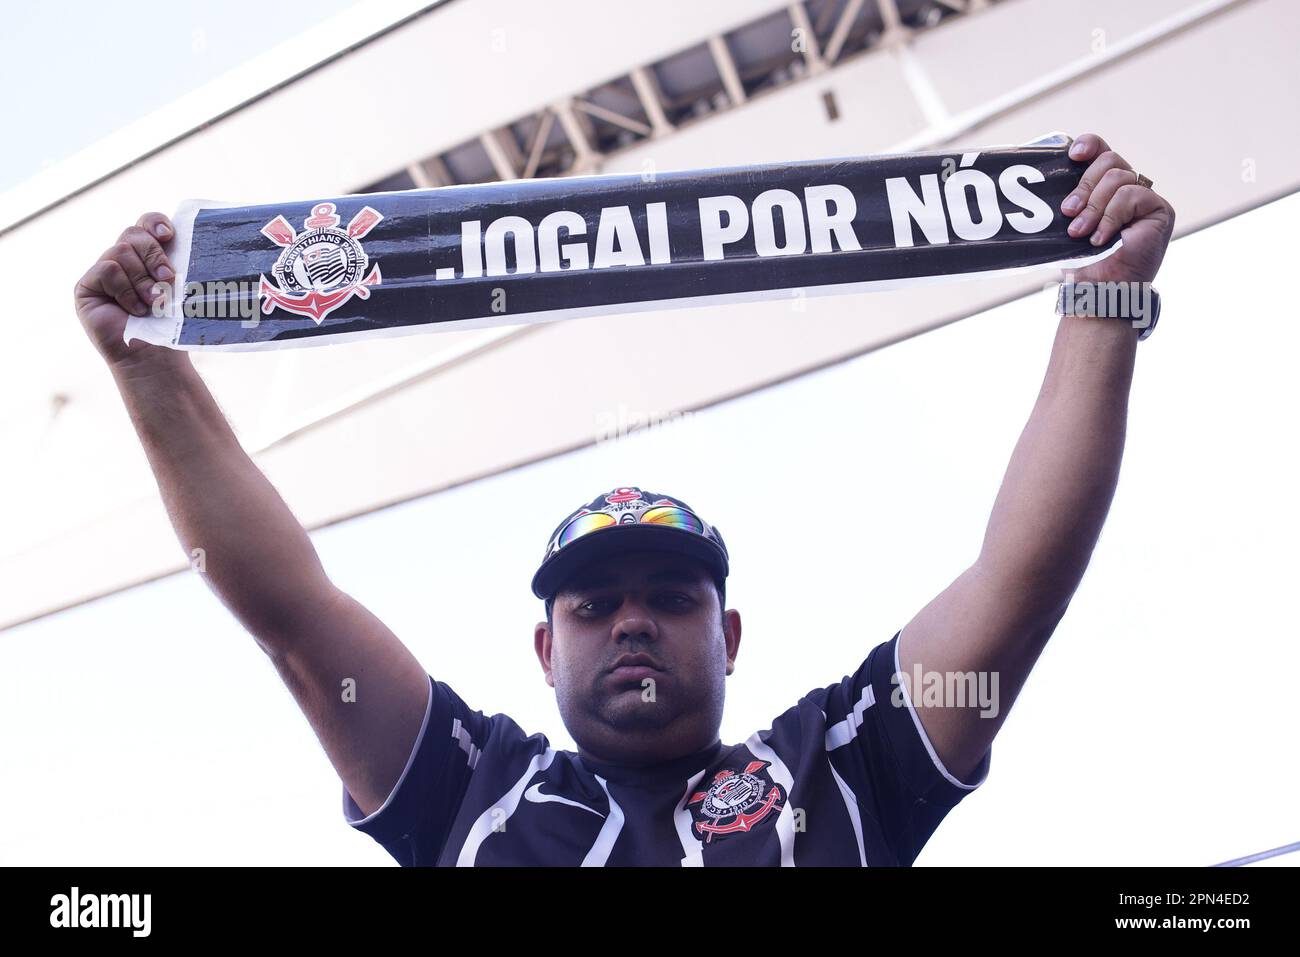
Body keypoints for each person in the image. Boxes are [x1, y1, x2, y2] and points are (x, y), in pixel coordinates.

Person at [72, 132, 1175, 866]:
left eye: (669, 597)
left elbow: (1018, 583)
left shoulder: (838, 768)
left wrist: (1103, 307)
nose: (632, 618)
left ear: (729, 634)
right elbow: (292, 614)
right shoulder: (474, 792)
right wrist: (144, 369)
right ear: (544, 651)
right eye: (592, 607)